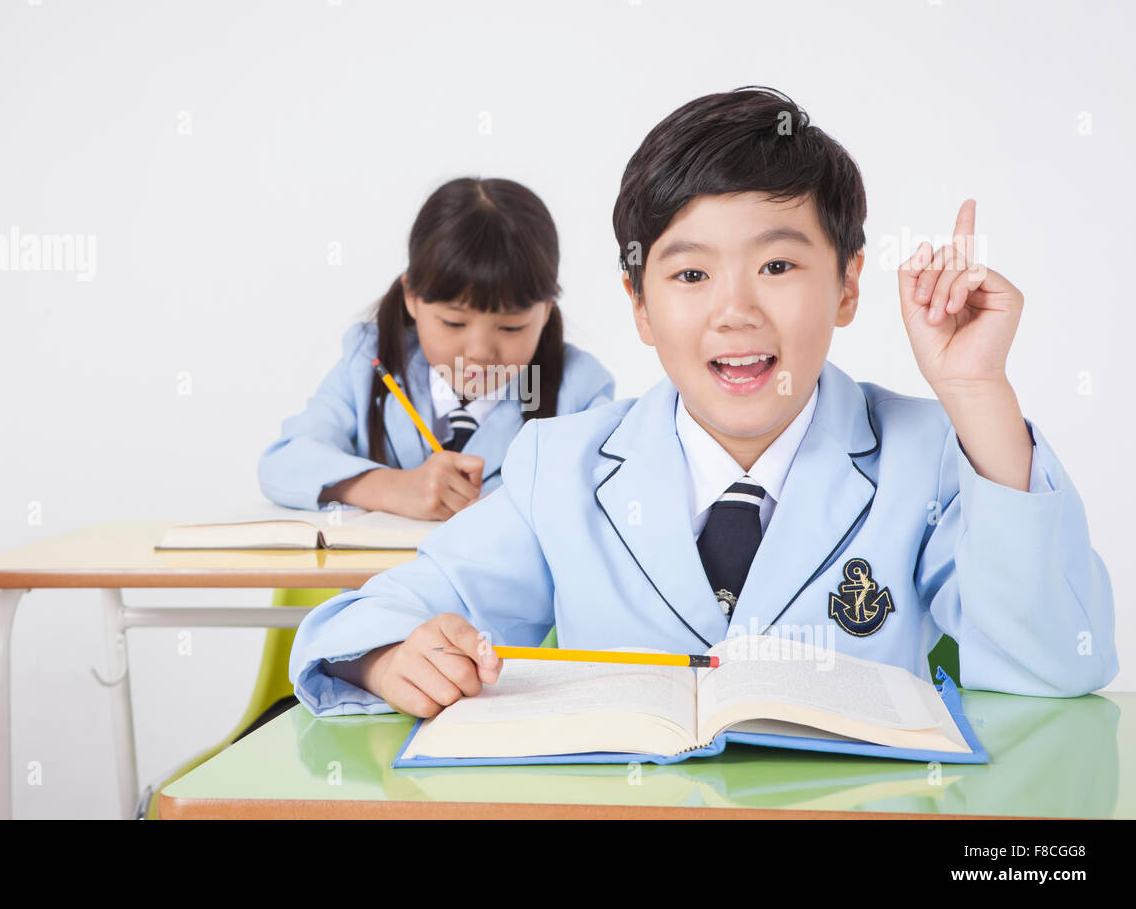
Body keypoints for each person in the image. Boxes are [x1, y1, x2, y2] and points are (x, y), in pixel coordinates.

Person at [289, 87, 1117, 716]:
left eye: (778, 267)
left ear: (848, 286)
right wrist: (389, 655)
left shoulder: (933, 453)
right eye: (690, 275)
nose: (735, 310)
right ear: (640, 306)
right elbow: (376, 614)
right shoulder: (556, 465)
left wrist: (978, 397)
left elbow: (1058, 661)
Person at [258, 176, 616, 520]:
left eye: (511, 326)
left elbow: (611, 491)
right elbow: (285, 462)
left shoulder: (580, 390)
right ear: (411, 297)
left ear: (546, 311)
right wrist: (392, 488)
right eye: (453, 322)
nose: (479, 352)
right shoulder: (366, 362)